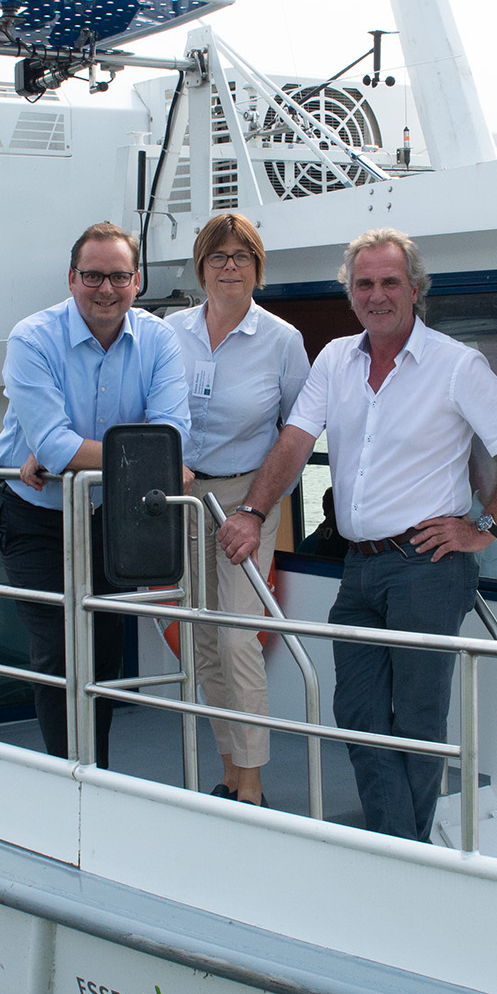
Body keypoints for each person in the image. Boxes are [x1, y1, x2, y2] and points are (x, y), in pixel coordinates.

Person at [219, 228, 497, 842]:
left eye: (389, 282)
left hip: (428, 566)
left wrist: (486, 527)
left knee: (417, 721)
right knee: (357, 713)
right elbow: (294, 443)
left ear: (416, 290)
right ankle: (403, 846)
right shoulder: (335, 359)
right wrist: (255, 512)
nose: (376, 295)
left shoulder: (456, 364)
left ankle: (398, 850)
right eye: (364, 283)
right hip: (360, 566)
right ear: (350, 293)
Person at [0, 221, 189, 762]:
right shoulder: (32, 338)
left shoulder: (158, 338)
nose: (106, 289)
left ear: (137, 279)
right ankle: (68, 780)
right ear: (71, 278)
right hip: (35, 513)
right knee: (59, 650)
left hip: (109, 516)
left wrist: (80, 450)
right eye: (93, 276)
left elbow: (173, 434)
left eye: (119, 276)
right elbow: (55, 448)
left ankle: (93, 773)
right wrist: (145, 460)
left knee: (102, 656)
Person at [164, 211, 307, 805]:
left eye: (242, 256)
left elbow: (300, 430)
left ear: (257, 269)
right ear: (201, 267)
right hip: (183, 498)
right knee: (200, 638)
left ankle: (252, 783)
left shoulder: (282, 339)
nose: (230, 266)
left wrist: (258, 505)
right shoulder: (168, 331)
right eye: (219, 256)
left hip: (249, 496)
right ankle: (229, 768)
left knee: (235, 636)